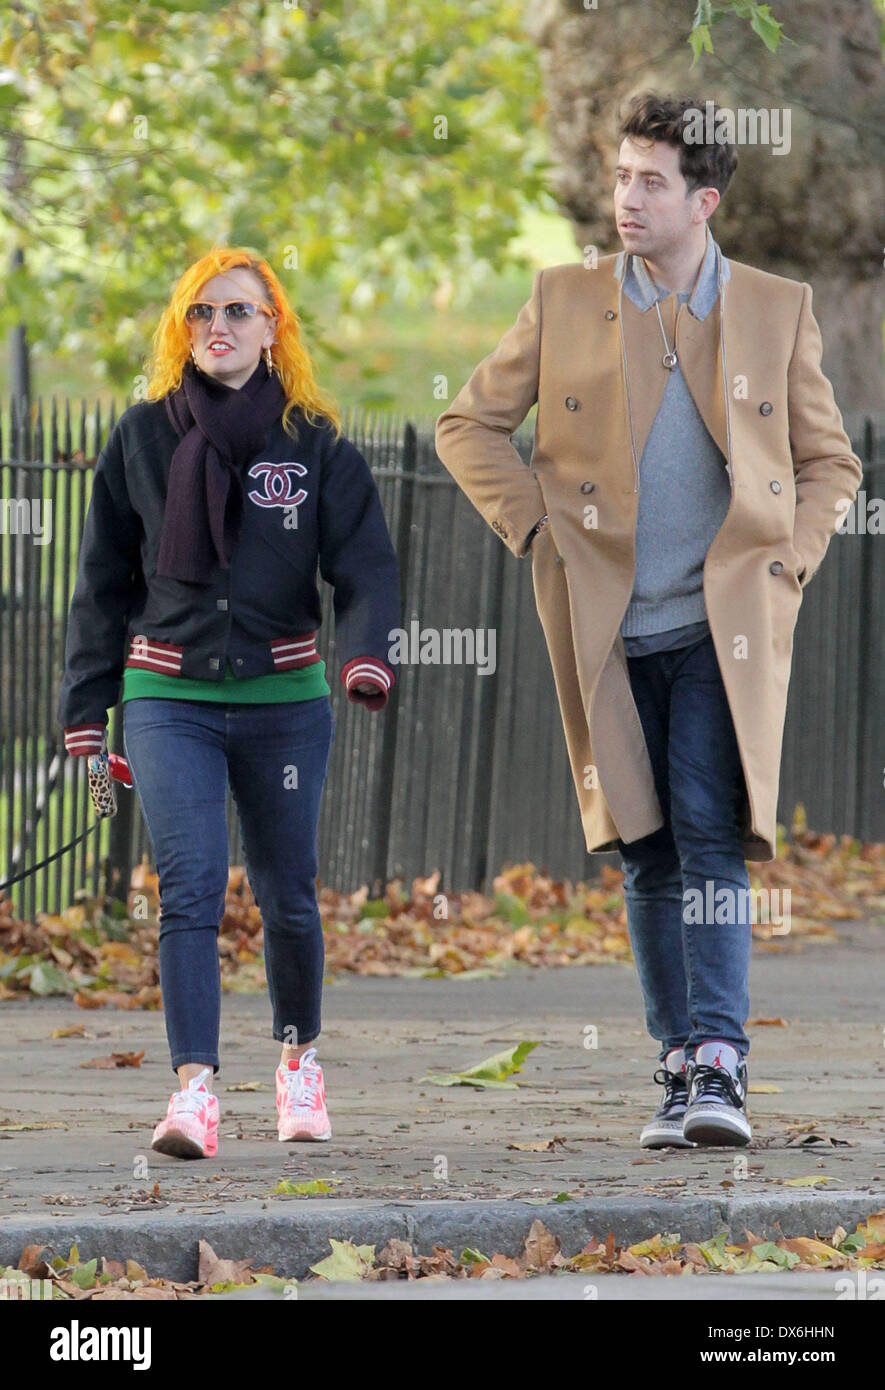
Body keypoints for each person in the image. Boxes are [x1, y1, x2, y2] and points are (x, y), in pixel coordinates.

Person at [435, 93, 863, 1149]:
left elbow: (830, 464)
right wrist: (538, 535)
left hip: (727, 632)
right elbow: (469, 424)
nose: (626, 196)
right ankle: (675, 1066)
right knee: (645, 849)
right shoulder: (565, 299)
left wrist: (788, 564)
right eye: (621, 176)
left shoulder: (775, 307)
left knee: (713, 838)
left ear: (703, 200)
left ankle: (722, 1062)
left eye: (651, 181)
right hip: (611, 635)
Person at [57, 247, 400, 1159]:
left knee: (288, 895)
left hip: (285, 699)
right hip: (166, 693)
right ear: (184, 328)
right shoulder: (140, 437)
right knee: (190, 890)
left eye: (240, 311)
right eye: (202, 311)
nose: (220, 326)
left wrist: (365, 657)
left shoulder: (314, 444)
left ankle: (298, 1064)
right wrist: (86, 714)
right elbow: (101, 586)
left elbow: (365, 568)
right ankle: (193, 1094)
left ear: (272, 327)